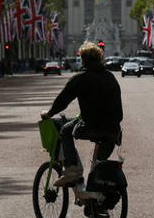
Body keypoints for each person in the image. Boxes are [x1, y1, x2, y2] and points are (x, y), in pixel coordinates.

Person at [40, 41, 123, 187]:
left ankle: (72, 170)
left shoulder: (81, 78)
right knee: (99, 164)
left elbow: (63, 100)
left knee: (65, 130)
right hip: (113, 130)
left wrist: (50, 113)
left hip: (91, 126)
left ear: (83, 60)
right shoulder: (110, 77)